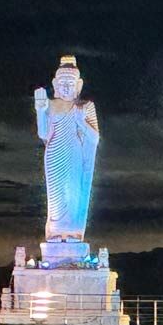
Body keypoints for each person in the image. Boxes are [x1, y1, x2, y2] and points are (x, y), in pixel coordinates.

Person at [34, 55, 100, 242]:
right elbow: (43, 133)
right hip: (54, 152)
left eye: (70, 83)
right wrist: (40, 111)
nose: (65, 87)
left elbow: (95, 139)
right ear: (55, 84)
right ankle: (56, 232)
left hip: (74, 153)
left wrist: (81, 121)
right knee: (55, 197)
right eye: (62, 83)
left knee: (73, 192)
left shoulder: (85, 107)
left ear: (78, 85)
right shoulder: (50, 105)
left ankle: (72, 232)